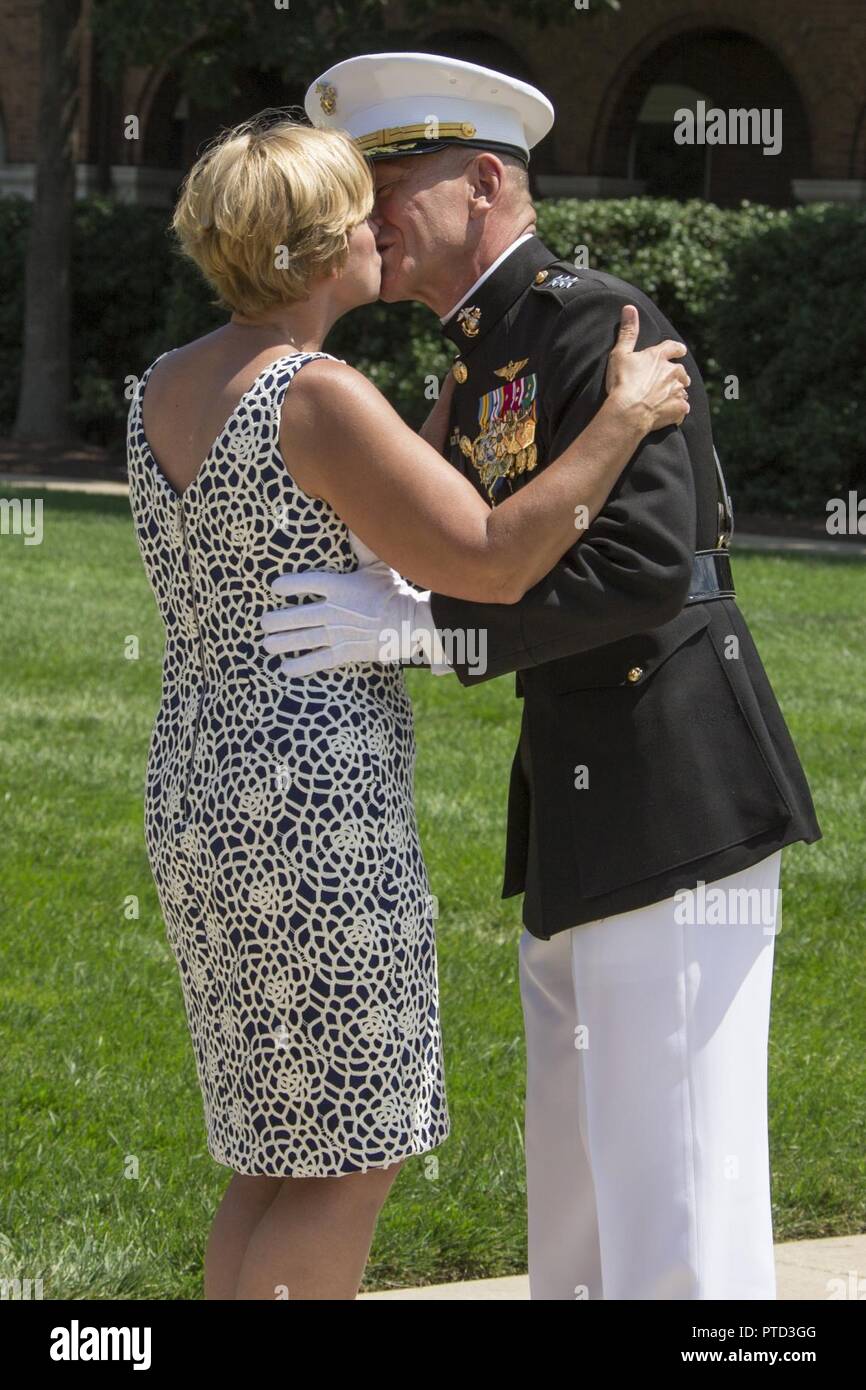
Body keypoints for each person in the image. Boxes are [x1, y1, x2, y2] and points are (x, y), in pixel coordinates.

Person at [262, 52, 823, 1300]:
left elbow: (641, 571)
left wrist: (428, 633)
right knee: (574, 1202)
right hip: (583, 794)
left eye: (386, 182)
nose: (365, 217)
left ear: (480, 182)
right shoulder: (478, 352)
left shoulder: (591, 321)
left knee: (676, 1194)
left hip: (672, 783)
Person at [125, 111, 688, 1301]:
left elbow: (358, 509)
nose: (380, 226)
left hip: (197, 786)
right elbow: (484, 556)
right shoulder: (319, 395)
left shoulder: (161, 391)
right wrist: (621, 419)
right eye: (357, 211)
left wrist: (435, 421)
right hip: (313, 810)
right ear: (317, 249)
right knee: (350, 1156)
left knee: (275, 1148)